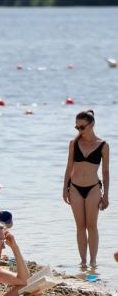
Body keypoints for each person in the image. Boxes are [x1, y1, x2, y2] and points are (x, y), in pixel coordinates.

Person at [63, 110, 109, 269]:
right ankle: (83, 262)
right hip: (75, 188)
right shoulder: (73, 143)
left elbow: (105, 172)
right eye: (77, 127)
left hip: (93, 189)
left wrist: (107, 196)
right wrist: (65, 189)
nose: (79, 130)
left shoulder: (103, 145)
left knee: (92, 225)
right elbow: (69, 168)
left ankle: (93, 262)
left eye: (82, 127)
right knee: (80, 226)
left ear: (92, 124)